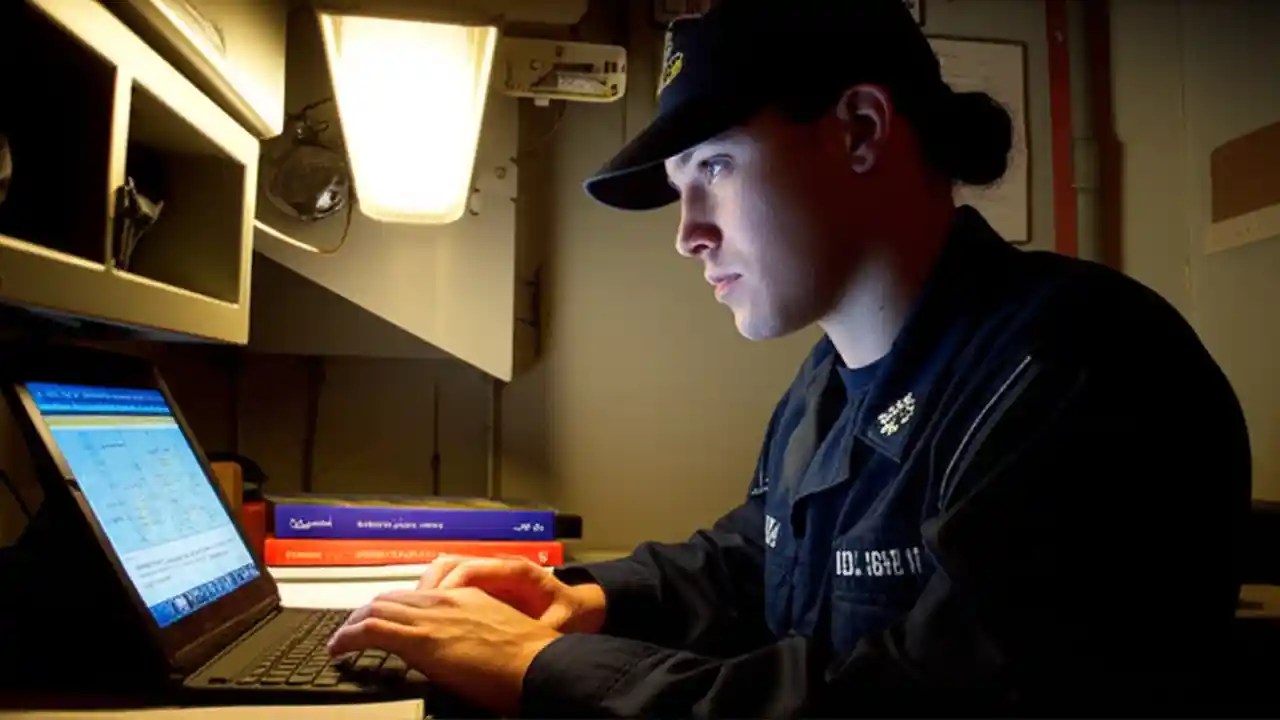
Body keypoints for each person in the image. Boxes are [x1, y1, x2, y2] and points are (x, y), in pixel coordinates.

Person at [327, 0, 1252, 716]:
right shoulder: (831, 380)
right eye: (680, 187)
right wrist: (581, 599)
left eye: (715, 167)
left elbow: (909, 706)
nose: (687, 233)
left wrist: (545, 668)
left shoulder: (1079, 371)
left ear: (858, 129)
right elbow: (753, 556)